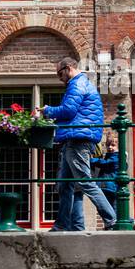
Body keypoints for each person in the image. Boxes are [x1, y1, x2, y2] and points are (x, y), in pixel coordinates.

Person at [43, 57, 116, 233]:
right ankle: (61, 225)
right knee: (65, 184)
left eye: (59, 73)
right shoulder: (81, 83)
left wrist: (47, 110)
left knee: (84, 181)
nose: (59, 78)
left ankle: (112, 219)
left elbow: (68, 110)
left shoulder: (76, 84)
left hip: (78, 139)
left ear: (68, 69)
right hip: (74, 139)